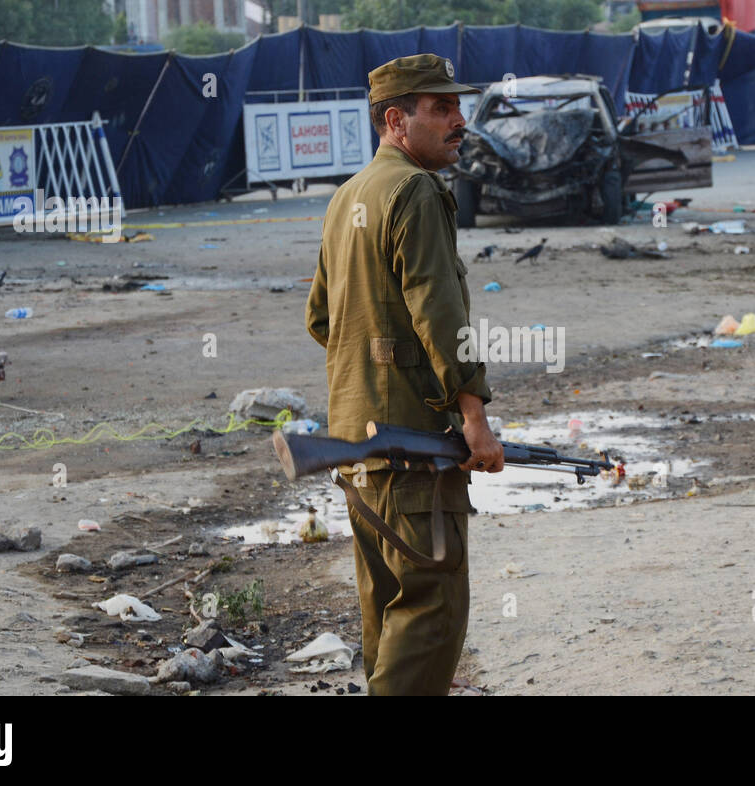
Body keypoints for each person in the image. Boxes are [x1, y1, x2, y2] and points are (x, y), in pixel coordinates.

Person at [305, 53, 504, 696]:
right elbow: (440, 313)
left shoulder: (347, 196)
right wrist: (473, 416)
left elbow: (320, 318)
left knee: (387, 612)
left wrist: (369, 367)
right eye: (440, 108)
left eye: (457, 106)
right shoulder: (414, 190)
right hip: (412, 444)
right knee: (430, 612)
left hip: (356, 443)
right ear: (397, 120)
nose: (459, 120)